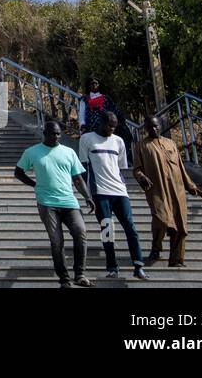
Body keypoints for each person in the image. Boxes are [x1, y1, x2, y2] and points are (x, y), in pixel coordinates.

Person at [14, 120, 98, 287]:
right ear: (45, 133)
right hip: (47, 203)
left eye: (59, 133)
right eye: (53, 133)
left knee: (81, 233)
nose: (57, 137)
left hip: (70, 202)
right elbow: (18, 172)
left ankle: (80, 274)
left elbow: (78, 178)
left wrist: (88, 196)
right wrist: (34, 185)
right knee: (57, 240)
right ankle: (64, 279)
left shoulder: (68, 152)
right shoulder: (32, 152)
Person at [79, 112, 148, 279]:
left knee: (130, 228)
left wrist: (123, 187)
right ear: (101, 122)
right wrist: (88, 195)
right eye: (109, 125)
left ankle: (138, 266)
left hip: (120, 191)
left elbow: (121, 167)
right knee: (107, 231)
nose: (112, 128)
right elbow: (83, 167)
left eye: (114, 126)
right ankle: (112, 267)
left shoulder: (119, 141)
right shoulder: (87, 139)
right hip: (100, 193)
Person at [134, 116, 202, 267]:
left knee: (180, 226)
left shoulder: (171, 143)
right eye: (150, 127)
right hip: (157, 190)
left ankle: (176, 260)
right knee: (161, 219)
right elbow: (137, 169)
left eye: (156, 126)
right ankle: (156, 248)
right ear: (146, 129)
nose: (154, 129)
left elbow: (181, 167)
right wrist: (141, 177)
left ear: (161, 126)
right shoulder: (141, 145)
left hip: (177, 190)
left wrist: (191, 186)